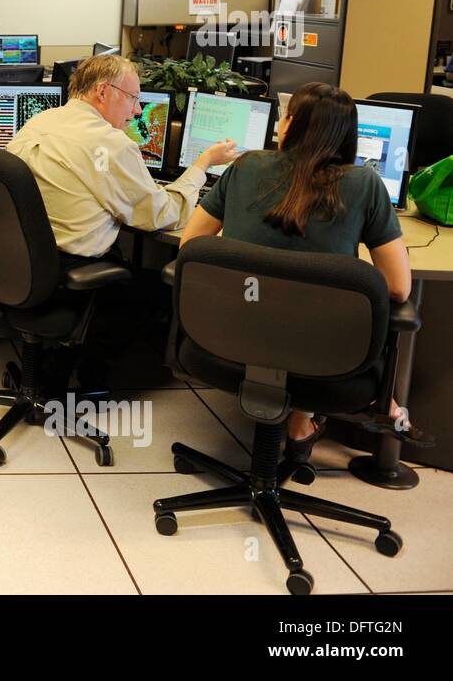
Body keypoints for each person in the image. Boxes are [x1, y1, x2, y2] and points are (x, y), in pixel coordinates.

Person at [179, 82, 428, 462]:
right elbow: (397, 288)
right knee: (309, 312)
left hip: (228, 341)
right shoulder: (365, 185)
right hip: (325, 359)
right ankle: (304, 422)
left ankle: (298, 422)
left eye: (285, 116)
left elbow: (190, 246)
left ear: (290, 124)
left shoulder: (245, 167)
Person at [7, 54, 237, 258]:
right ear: (103, 91)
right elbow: (164, 215)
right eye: (133, 97)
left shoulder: (39, 121)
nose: (137, 110)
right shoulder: (111, 143)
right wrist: (203, 162)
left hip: (22, 258)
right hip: (71, 266)